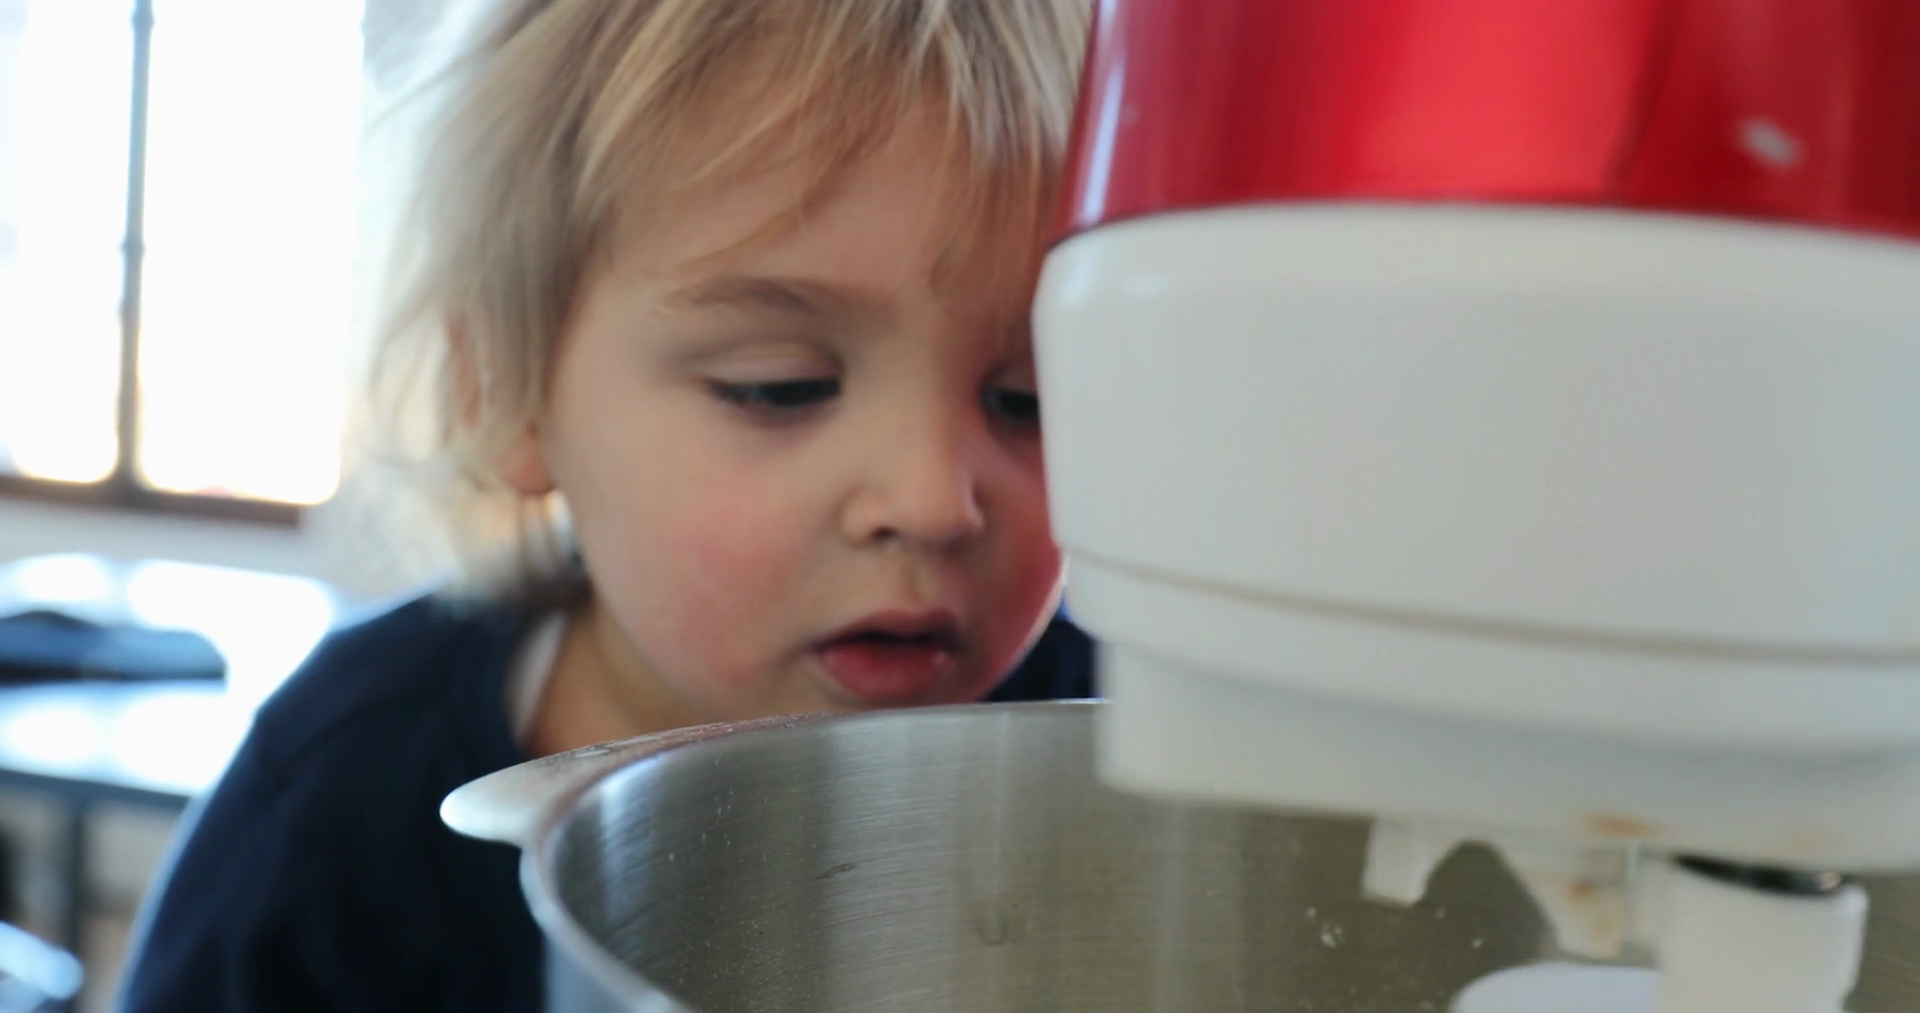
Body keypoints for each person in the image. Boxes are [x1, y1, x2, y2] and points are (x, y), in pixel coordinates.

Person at [116, 0, 1094, 1009]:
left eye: (1028, 396)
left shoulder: (1135, 749)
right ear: (503, 387)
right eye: (779, 385)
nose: (936, 501)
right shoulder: (340, 794)